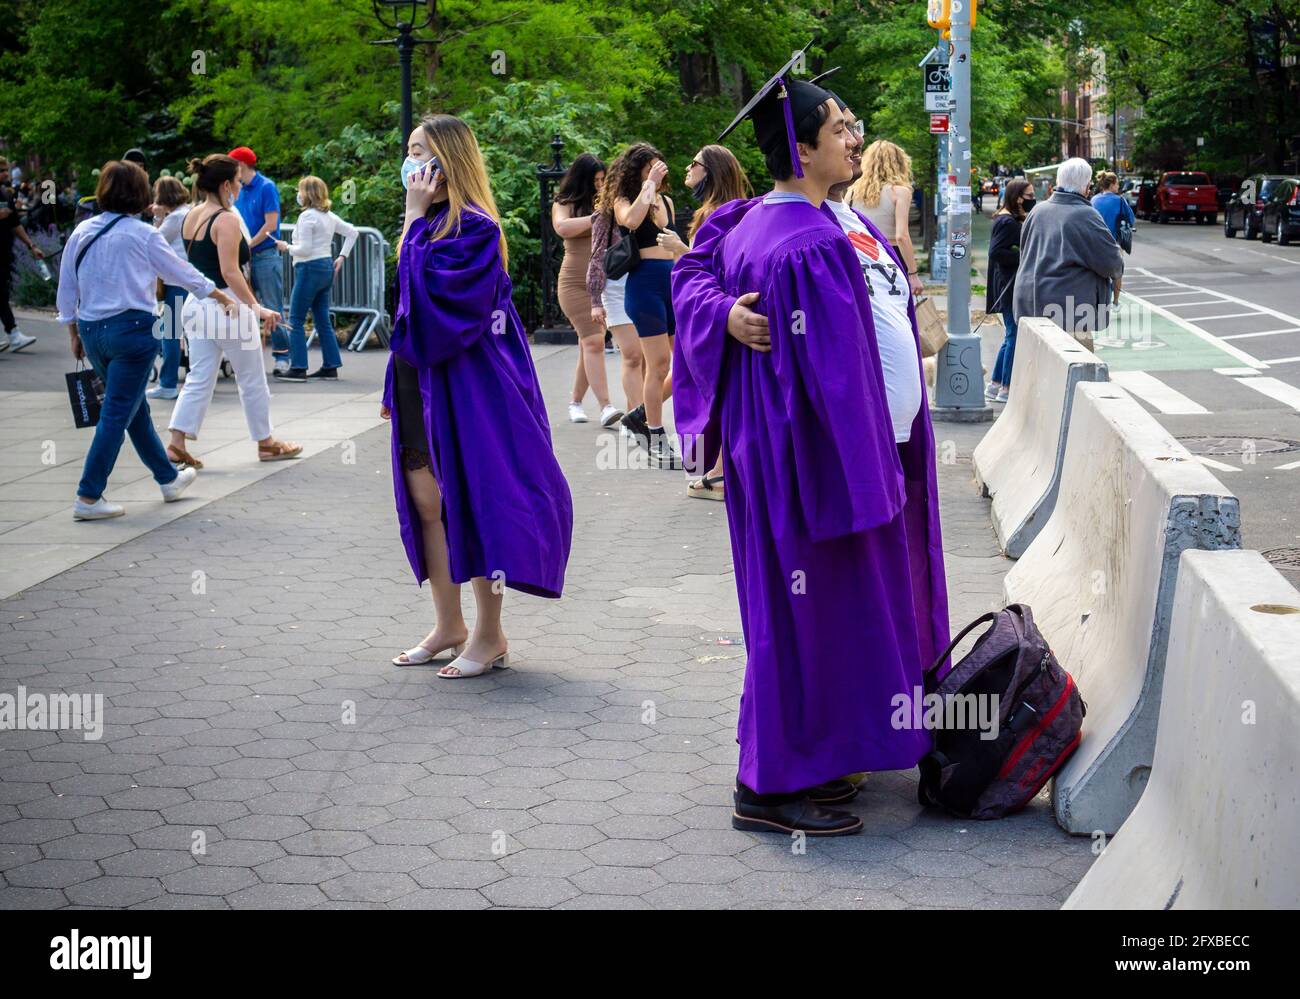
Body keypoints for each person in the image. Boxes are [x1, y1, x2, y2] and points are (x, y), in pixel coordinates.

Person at [672, 53, 949, 837]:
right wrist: (724, 315)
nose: (854, 138)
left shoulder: (830, 219)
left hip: (827, 457)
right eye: (840, 129)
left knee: (818, 617)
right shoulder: (794, 238)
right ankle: (767, 786)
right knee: (796, 620)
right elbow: (831, 380)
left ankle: (823, 759)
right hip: (815, 466)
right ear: (800, 149)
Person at [383, 113, 572, 678]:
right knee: (426, 502)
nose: (413, 165)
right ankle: (449, 624)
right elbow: (405, 312)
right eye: (410, 152)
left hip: (469, 386)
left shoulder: (477, 228)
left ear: (448, 160)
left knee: (474, 499)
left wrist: (415, 223)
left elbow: (445, 315)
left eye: (422, 152)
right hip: (421, 381)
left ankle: (489, 633)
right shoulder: (423, 224)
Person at [55, 160, 237, 521]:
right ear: (140, 194)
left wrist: (73, 333)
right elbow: (181, 273)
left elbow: (66, 289)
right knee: (117, 412)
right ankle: (88, 496)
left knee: (133, 408)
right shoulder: (143, 234)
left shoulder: (82, 232)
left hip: (93, 332)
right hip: (134, 332)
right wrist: (221, 296)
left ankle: (168, 479)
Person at [165, 155, 301, 468]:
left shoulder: (191, 215)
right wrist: (257, 306)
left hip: (197, 304)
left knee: (199, 376)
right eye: (238, 181)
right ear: (226, 184)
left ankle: (177, 443)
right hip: (227, 306)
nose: (240, 186)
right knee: (251, 377)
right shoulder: (225, 220)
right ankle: (266, 443)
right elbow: (230, 271)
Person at [653, 144, 752, 500]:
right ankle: (721, 470)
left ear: (710, 171)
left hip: (712, 313)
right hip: (712, 311)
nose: (687, 170)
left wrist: (682, 250)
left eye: (694, 164)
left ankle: (722, 473)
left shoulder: (719, 213)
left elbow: (715, 267)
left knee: (717, 389)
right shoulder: (722, 211)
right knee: (716, 388)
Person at [611, 143, 680, 467]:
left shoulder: (666, 200)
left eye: (659, 164)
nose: (658, 168)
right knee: (659, 365)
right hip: (644, 285)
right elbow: (631, 223)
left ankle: (639, 414)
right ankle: (655, 434)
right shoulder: (625, 199)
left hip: (671, 282)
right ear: (637, 169)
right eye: (650, 165)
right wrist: (648, 184)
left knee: (683, 363)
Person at [1013, 157, 1124, 344]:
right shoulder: (1085, 215)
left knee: (1038, 367)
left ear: (1058, 182)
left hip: (1029, 304)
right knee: (1077, 368)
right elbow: (1112, 265)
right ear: (1087, 187)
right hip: (1067, 311)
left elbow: (1025, 253)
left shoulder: (1037, 211)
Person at [553, 153, 622, 428]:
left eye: (603, 180)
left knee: (588, 343)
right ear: (582, 180)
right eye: (595, 180)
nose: (600, 185)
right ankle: (606, 406)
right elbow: (562, 227)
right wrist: (597, 218)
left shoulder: (605, 201)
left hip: (600, 280)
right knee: (594, 341)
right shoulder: (565, 202)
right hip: (572, 283)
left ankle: (575, 402)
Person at [273, 175, 358, 381]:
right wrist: (342, 256)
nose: (298, 195)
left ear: (308, 194)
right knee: (322, 319)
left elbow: (304, 249)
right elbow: (352, 232)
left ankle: (299, 367)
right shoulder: (328, 216)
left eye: (300, 191)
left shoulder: (307, 217)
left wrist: (286, 247)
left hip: (308, 268)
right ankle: (331, 365)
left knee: (295, 319)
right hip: (326, 267)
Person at [585, 157, 646, 431]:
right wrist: (595, 301)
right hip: (615, 287)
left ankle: (643, 413)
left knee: (645, 356)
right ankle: (636, 415)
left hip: (642, 283)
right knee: (632, 355)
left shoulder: (648, 207)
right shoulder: (605, 214)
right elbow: (597, 256)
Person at [227, 146, 291, 374]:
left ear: (241, 166)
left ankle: (283, 356)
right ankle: (247, 358)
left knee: (272, 306)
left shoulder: (266, 187)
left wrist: (246, 246)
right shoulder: (239, 189)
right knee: (246, 306)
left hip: (264, 255)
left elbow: (271, 225)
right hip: (246, 257)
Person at [847, 140, 925, 299]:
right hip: (891, 256)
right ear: (899, 163)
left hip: (860, 256)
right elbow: (901, 236)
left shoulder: (852, 192)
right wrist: (913, 274)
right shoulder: (900, 192)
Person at [984, 178, 1034, 404]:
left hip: (1006, 284)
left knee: (1010, 335)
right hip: (1008, 286)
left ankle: (996, 385)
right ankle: (1005, 386)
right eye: (1029, 196)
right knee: (1013, 334)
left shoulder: (1007, 219)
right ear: (1017, 197)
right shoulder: (1007, 222)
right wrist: (1023, 256)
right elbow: (996, 252)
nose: (1033, 200)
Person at [146, 176, 193, 400]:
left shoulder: (174, 218)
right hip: (190, 279)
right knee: (191, 333)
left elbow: (154, 241)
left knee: (170, 333)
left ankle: (168, 383)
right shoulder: (189, 211)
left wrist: (157, 217)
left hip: (175, 281)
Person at [0, 157, 45, 352]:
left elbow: (14, 224)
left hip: (3, 252)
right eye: (2, 170)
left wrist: (31, 245)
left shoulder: (4, 193)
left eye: (6, 170)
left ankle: (13, 334)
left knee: (2, 293)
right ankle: (13, 334)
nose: (6, 174)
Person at [1090, 170, 1134, 249]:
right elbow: (1131, 219)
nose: (1118, 186)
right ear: (1111, 185)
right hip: (1113, 243)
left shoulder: (1094, 199)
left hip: (1095, 242)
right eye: (1117, 184)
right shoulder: (1120, 200)